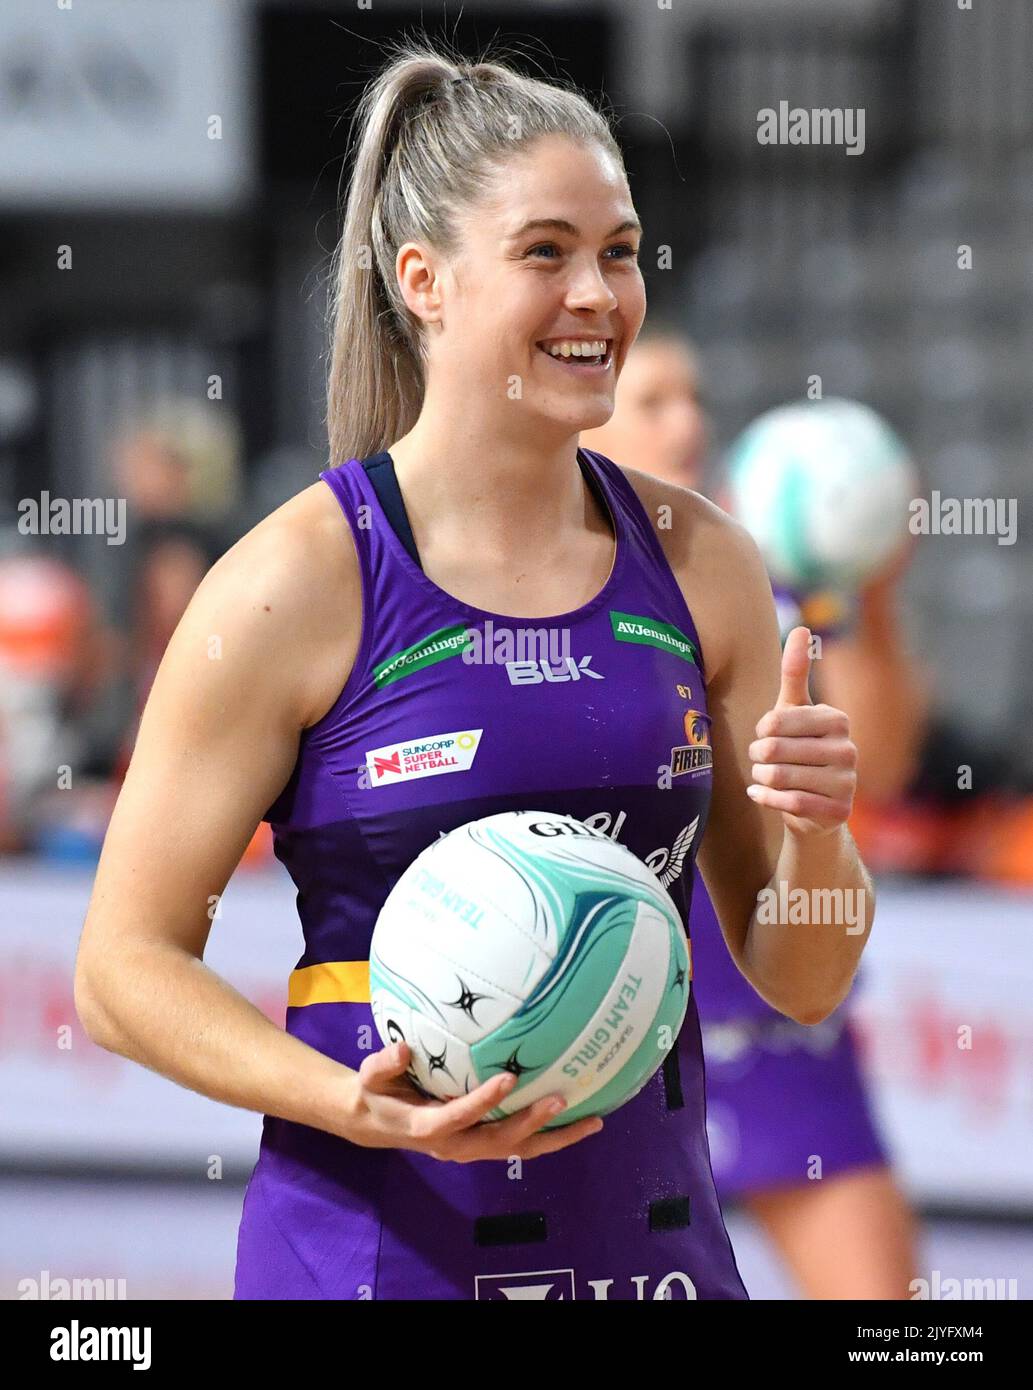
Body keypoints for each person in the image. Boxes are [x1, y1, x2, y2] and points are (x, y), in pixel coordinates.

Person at [75, 41, 874, 1301]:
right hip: (376, 1256)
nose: (600, 294)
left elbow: (801, 971)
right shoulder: (297, 580)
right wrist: (354, 1104)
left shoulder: (701, 560)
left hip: (652, 1258)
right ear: (424, 281)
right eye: (546, 252)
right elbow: (123, 970)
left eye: (618, 252)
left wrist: (819, 832)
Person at [582, 324, 922, 1298]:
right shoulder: (546, 595)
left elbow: (882, 768)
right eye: (651, 401)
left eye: (692, 396)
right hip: (613, 1044)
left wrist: (865, 597)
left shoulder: (776, 588)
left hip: (777, 1029)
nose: (686, 420)